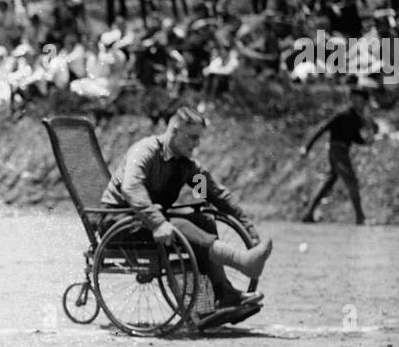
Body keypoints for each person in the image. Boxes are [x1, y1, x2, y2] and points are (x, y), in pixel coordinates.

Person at [100, 105, 274, 319]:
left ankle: (222, 294)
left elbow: (214, 195)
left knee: (203, 220)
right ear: (174, 130)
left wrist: (250, 230)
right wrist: (158, 223)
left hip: (146, 221)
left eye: (198, 138)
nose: (196, 143)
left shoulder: (186, 166)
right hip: (118, 223)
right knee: (178, 226)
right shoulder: (144, 151)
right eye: (192, 137)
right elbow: (131, 188)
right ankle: (242, 262)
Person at [300, 86, 372, 224]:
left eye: (363, 101)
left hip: (342, 151)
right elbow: (322, 128)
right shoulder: (343, 115)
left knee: (329, 181)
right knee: (352, 182)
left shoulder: (357, 119)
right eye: (359, 100)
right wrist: (307, 147)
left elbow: (356, 138)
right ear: (353, 100)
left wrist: (366, 141)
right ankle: (360, 217)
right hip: (337, 151)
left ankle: (308, 213)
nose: (362, 104)